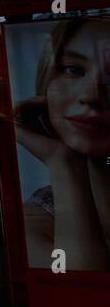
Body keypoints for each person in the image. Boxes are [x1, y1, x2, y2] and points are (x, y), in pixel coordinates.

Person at [15, 17, 110, 271]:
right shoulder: (33, 219)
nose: (91, 94)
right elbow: (81, 294)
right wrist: (63, 163)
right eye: (73, 70)